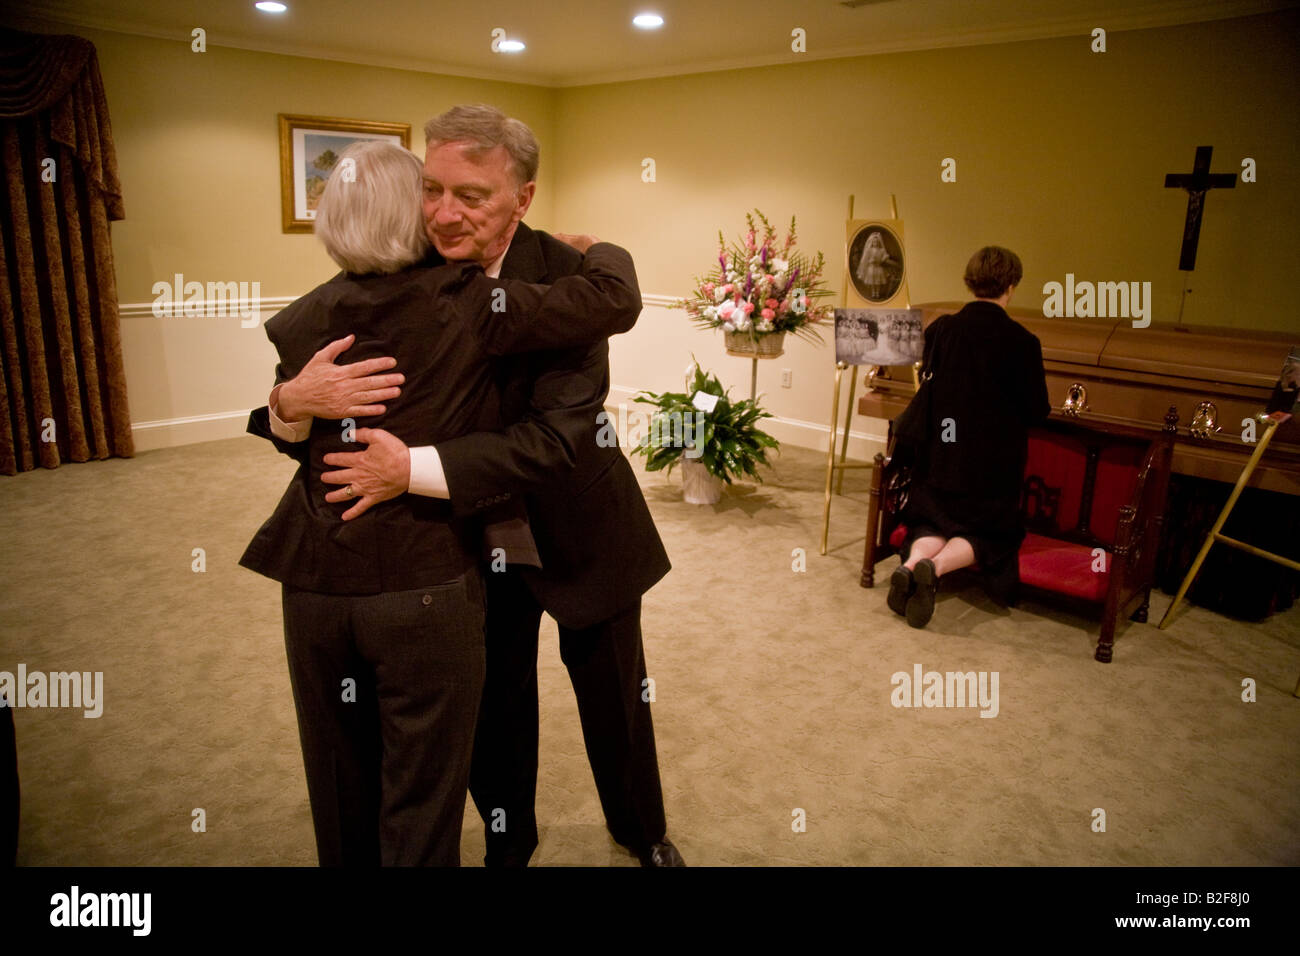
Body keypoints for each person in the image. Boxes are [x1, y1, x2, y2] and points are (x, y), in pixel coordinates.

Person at [253, 105, 683, 867]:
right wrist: (289, 403)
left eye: (472, 196)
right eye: (432, 188)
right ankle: (509, 842)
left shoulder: (566, 280)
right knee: (491, 706)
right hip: (460, 540)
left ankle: (642, 832)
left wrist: (409, 469)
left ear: (522, 198)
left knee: (615, 697)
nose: (444, 214)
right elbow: (339, 397)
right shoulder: (401, 260)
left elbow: (554, 441)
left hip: (579, 521)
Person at [887, 246, 1051, 628]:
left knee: (930, 524)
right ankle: (935, 567)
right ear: (1010, 287)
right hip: (991, 473)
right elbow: (1036, 410)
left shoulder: (941, 330)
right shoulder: (1023, 342)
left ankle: (912, 564)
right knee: (991, 532)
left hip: (940, 461)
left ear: (970, 282)